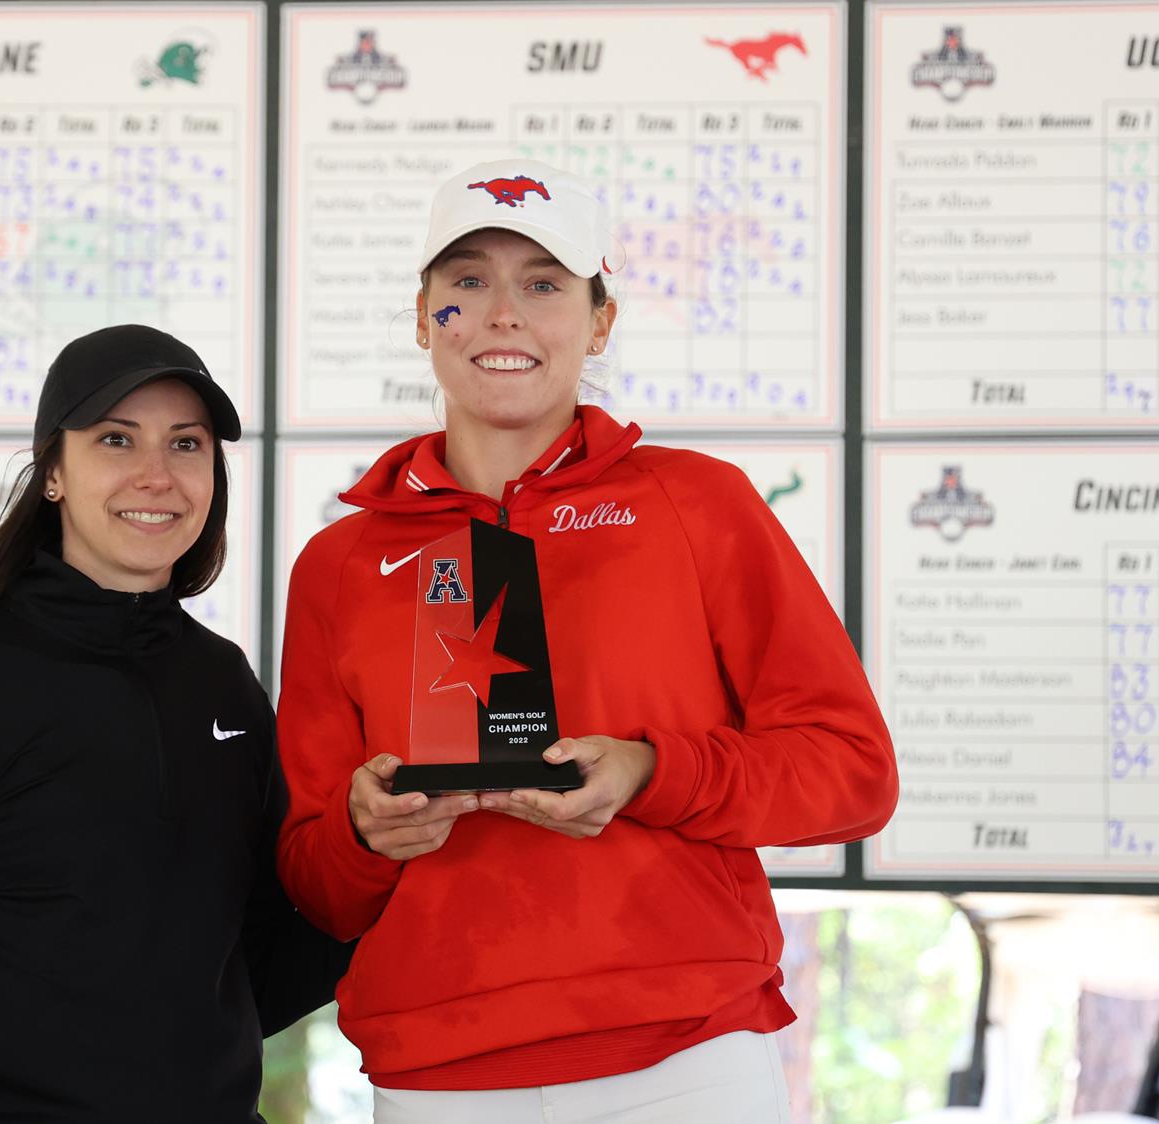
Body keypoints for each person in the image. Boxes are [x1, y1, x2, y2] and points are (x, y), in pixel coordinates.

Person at [276, 159, 898, 1122]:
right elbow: (317, 883)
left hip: (687, 1056)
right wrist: (369, 832)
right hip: (437, 1074)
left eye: (543, 284)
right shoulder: (340, 563)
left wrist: (654, 772)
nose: (503, 314)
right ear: (421, 317)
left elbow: (853, 776)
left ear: (599, 321)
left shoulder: (699, 506)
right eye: (468, 283)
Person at [0, 325, 349, 1122]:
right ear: (54, 472)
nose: (157, 475)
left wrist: (374, 856)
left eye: (186, 445)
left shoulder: (222, 685)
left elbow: (250, 972)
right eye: (116, 440)